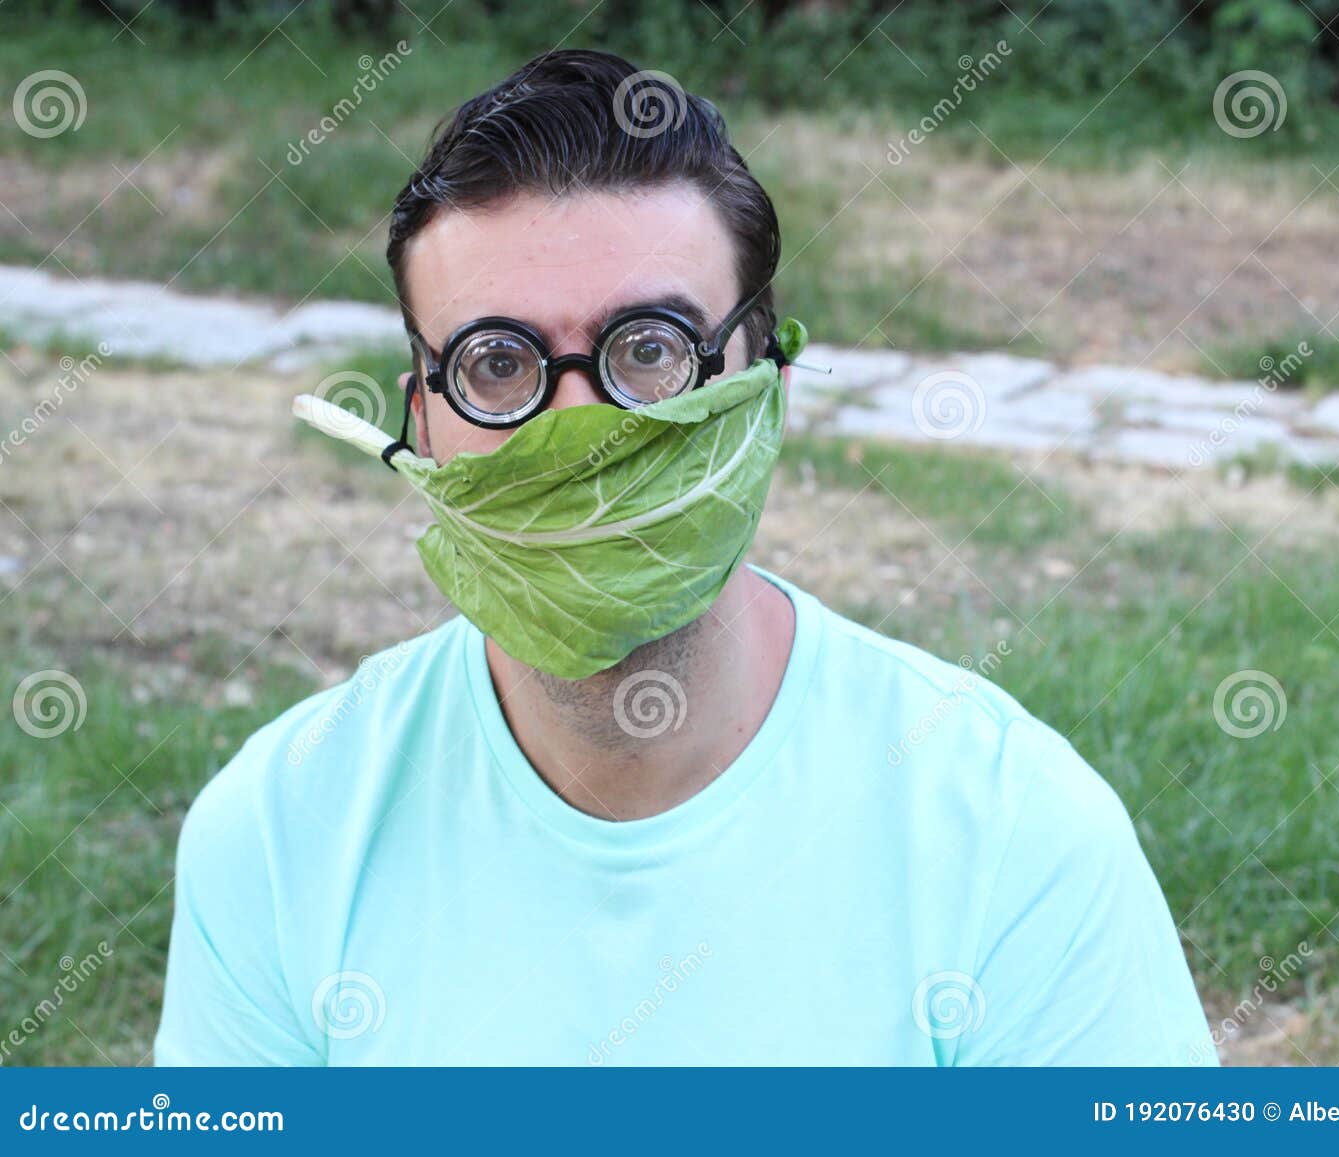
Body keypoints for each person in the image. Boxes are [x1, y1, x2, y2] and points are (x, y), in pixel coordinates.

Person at [154, 49, 1215, 1066]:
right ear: (420, 421)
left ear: (770, 392)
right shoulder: (282, 829)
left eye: (649, 349)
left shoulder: (1014, 836)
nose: (579, 426)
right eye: (496, 363)